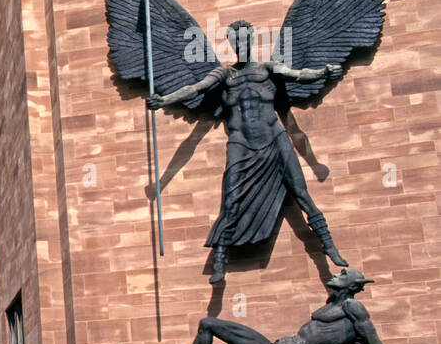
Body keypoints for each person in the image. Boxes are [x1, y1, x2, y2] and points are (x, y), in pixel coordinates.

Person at [147, 21, 348, 283]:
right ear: (232, 43)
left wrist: (324, 72)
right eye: (236, 41)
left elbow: (298, 74)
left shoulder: (267, 69)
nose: (240, 44)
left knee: (301, 192)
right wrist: (164, 101)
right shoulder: (224, 75)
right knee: (230, 200)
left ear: (252, 40)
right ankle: (220, 257)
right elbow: (194, 89)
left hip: (275, 138)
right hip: (241, 143)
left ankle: (329, 246)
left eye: (244, 39)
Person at [155, 268, 382, 344]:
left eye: (342, 275)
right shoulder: (332, 303)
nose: (335, 275)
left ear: (352, 286)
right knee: (209, 324)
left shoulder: (353, 307)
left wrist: (361, 340)